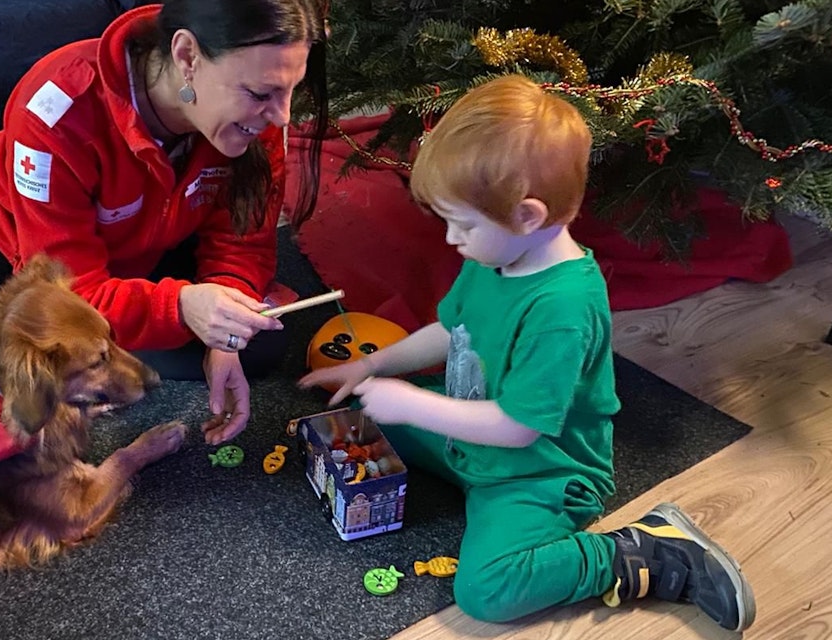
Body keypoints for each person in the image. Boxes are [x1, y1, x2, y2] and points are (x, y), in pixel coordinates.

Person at [298, 75, 754, 632]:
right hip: (471, 434)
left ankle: (646, 553)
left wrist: (411, 406)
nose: (449, 239)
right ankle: (425, 438)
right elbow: (451, 331)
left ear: (529, 216)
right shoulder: (494, 256)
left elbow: (518, 429)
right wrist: (372, 366)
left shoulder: (562, 308)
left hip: (536, 469)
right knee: (360, 421)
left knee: (488, 591)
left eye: (461, 224)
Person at [0, 0, 330, 443]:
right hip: (16, 246)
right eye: (262, 94)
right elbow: (69, 290)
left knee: (256, 344)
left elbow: (242, 243)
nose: (282, 117)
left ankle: (52, 345)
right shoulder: (56, 107)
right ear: (187, 55)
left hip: (148, 247)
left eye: (290, 91)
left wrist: (223, 328)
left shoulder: (254, 119)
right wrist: (181, 307)